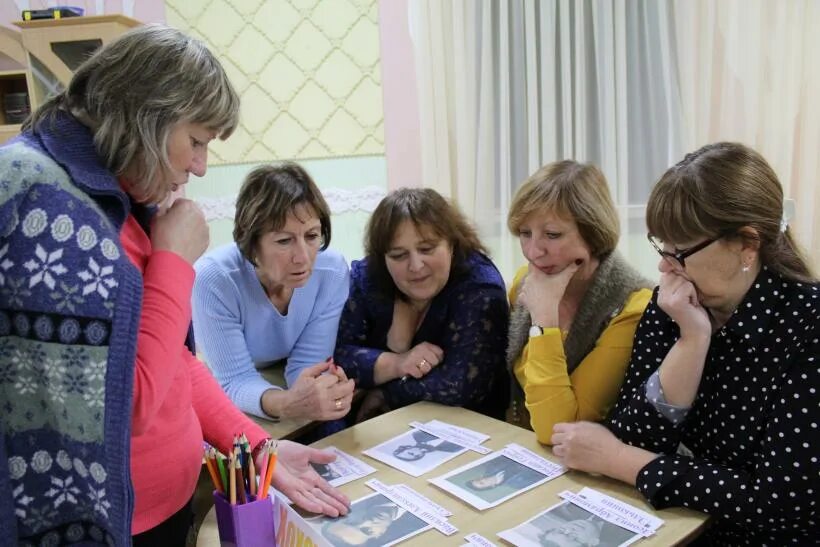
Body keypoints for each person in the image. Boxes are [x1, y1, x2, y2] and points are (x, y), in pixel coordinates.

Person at [0, 25, 348, 545]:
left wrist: (258, 448)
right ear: (149, 115)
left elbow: (176, 365)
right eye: (197, 141)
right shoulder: (46, 202)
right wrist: (172, 260)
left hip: (159, 511)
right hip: (113, 527)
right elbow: (127, 401)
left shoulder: (101, 194)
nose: (201, 166)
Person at [551, 142, 819, 545]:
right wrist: (692, 343)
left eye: (680, 252)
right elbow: (633, 434)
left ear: (747, 244)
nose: (664, 265)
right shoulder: (673, 306)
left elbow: (779, 503)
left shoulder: (807, 324)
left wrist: (620, 461)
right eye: (662, 247)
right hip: (673, 524)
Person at [192, 163, 354, 423]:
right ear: (250, 243)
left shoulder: (332, 271)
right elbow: (234, 380)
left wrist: (325, 390)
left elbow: (308, 365)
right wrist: (286, 404)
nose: (302, 257)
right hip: (220, 390)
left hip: (272, 381)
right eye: (284, 241)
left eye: (311, 236)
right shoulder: (213, 280)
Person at [506, 160, 652, 443]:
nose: (534, 251)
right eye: (525, 233)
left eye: (552, 235)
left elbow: (558, 429)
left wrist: (544, 321)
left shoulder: (633, 308)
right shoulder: (525, 282)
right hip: (520, 448)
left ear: (593, 233)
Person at [334, 188, 509, 421]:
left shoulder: (480, 287)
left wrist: (385, 392)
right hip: (373, 422)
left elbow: (459, 386)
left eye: (427, 249)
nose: (416, 266)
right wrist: (398, 363)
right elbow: (339, 355)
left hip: (466, 426)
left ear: (452, 245)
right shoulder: (367, 277)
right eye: (398, 255)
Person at [463, 456, 542, 492]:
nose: (482, 479)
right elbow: (541, 476)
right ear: (491, 486)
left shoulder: (490, 465)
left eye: (478, 479)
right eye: (481, 483)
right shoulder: (518, 485)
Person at [391, 430, 460, 462]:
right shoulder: (452, 450)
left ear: (407, 448)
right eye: (416, 457)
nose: (418, 455)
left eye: (411, 453)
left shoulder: (417, 434)